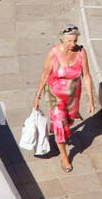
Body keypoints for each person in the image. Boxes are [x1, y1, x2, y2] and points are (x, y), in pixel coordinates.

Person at [33, 24, 94, 172]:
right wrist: (37, 96)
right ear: (62, 40)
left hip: (73, 95)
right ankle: (65, 157)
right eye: (69, 41)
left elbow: (86, 76)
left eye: (75, 40)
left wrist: (91, 99)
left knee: (69, 121)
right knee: (60, 125)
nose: (73, 44)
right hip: (55, 95)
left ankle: (62, 124)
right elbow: (44, 75)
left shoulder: (81, 52)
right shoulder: (53, 53)